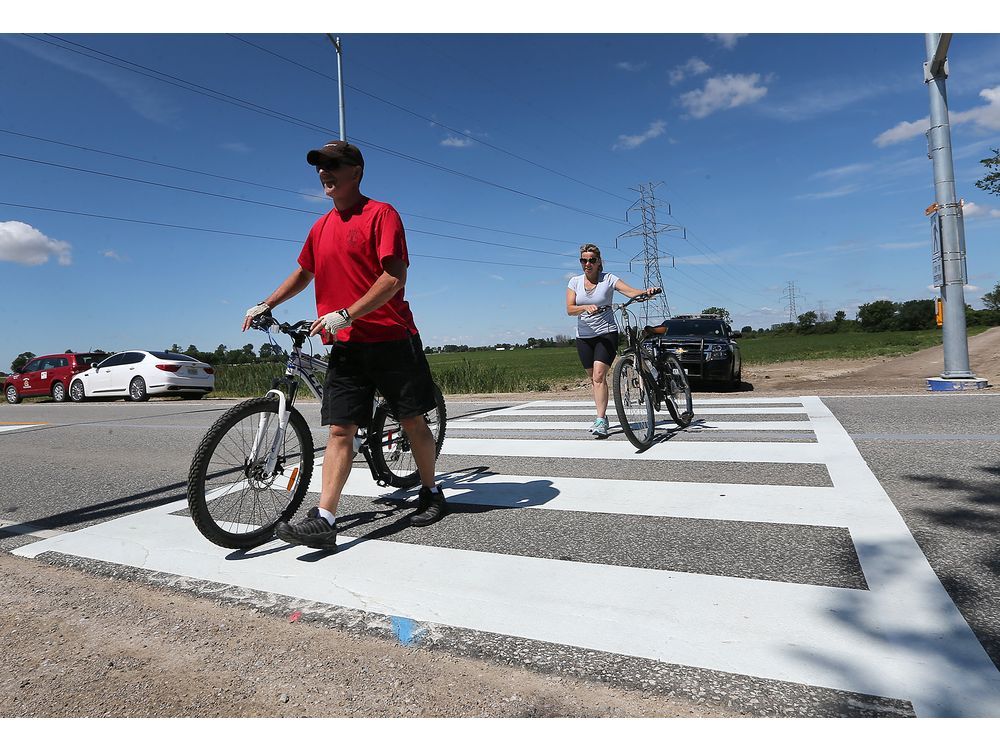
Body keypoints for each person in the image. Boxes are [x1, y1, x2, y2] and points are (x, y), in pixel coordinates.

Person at [242, 140, 446, 550]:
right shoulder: (320, 227)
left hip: (391, 337)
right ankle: (325, 518)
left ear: (357, 171)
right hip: (346, 345)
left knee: (411, 421)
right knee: (340, 430)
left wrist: (348, 312)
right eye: (319, 166)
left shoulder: (381, 214)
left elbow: (394, 278)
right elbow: (304, 273)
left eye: (333, 165)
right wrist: (268, 302)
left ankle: (430, 491)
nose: (324, 172)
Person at [565, 244, 658, 438]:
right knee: (593, 379)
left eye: (592, 260)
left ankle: (600, 420)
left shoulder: (608, 279)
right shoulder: (574, 282)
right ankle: (603, 417)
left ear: (599, 262)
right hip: (584, 337)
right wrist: (585, 307)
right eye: (584, 260)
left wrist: (645, 292)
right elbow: (570, 309)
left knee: (599, 376)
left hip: (606, 333)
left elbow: (631, 292)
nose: (587, 264)